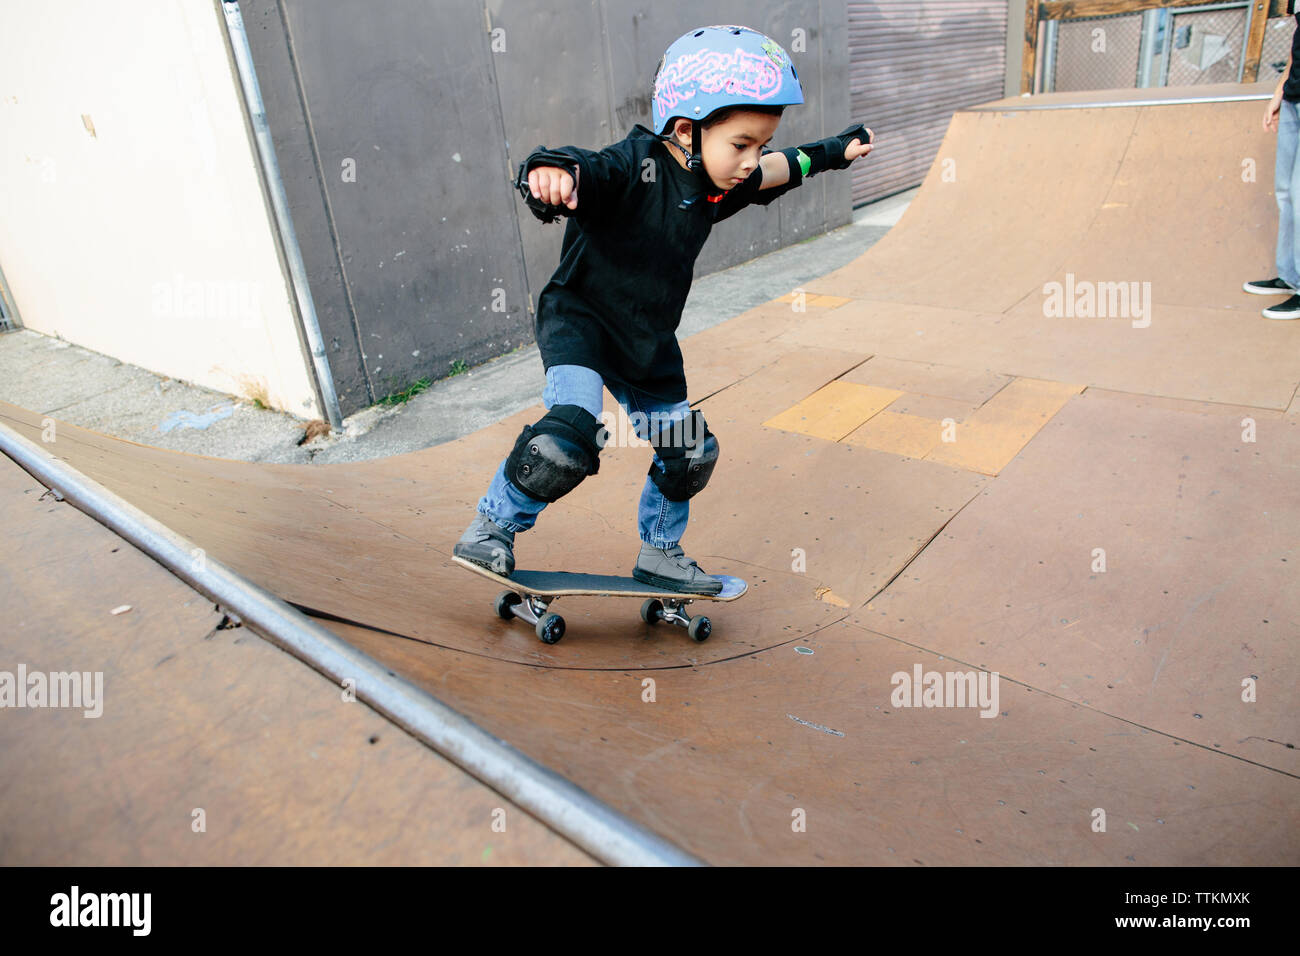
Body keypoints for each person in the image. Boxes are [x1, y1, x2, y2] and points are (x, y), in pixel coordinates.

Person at [454, 24, 873, 593]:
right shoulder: (635, 165)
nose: (752, 159)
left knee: (691, 451)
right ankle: (492, 527)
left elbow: (782, 168)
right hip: (583, 321)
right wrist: (549, 172)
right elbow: (585, 166)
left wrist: (834, 154)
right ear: (685, 130)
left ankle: (660, 554)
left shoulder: (718, 182)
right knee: (569, 437)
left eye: (759, 143)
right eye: (741, 143)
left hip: (647, 340)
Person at [1245, 3, 1300, 319]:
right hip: (1294, 98)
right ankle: (1291, 275)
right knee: (1285, 193)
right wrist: (1279, 91)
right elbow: (1297, 39)